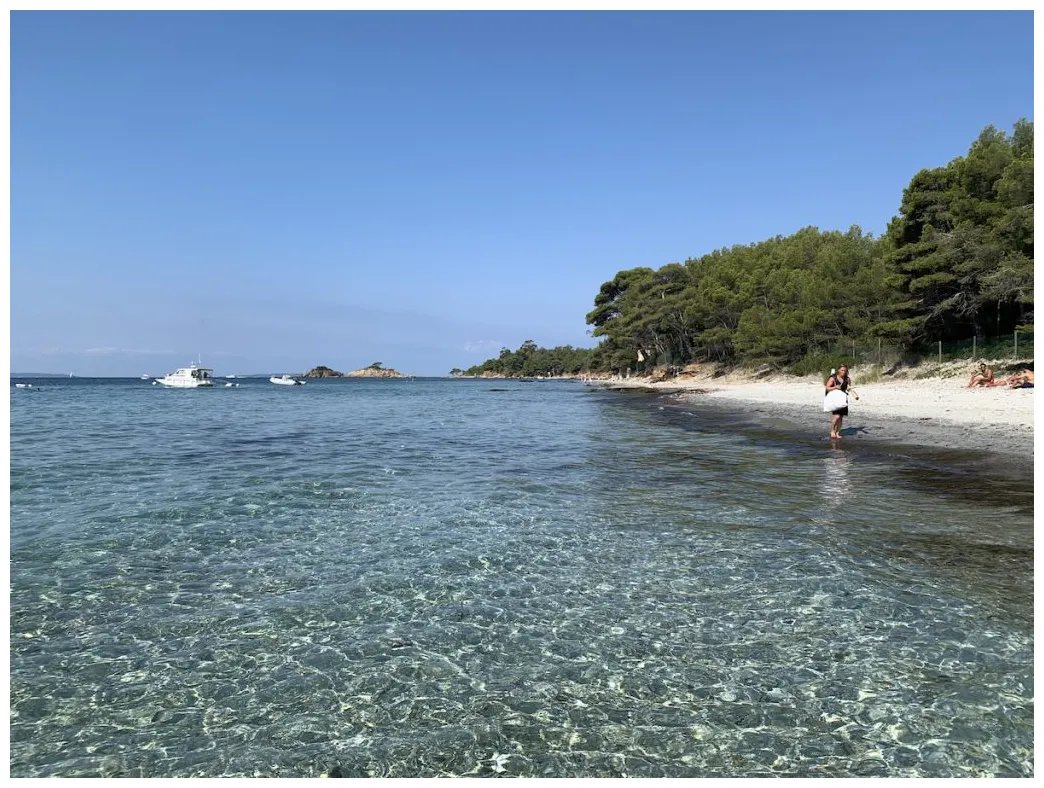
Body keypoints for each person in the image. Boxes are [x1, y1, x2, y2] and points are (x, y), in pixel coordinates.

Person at [825, 364, 859, 440]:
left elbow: (848, 388)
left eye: (845, 371)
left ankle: (837, 432)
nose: (844, 372)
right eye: (842, 370)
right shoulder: (833, 378)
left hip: (843, 398)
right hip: (834, 398)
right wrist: (835, 387)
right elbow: (827, 388)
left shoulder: (847, 379)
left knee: (841, 417)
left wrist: (854, 395)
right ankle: (832, 431)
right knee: (836, 416)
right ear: (838, 370)